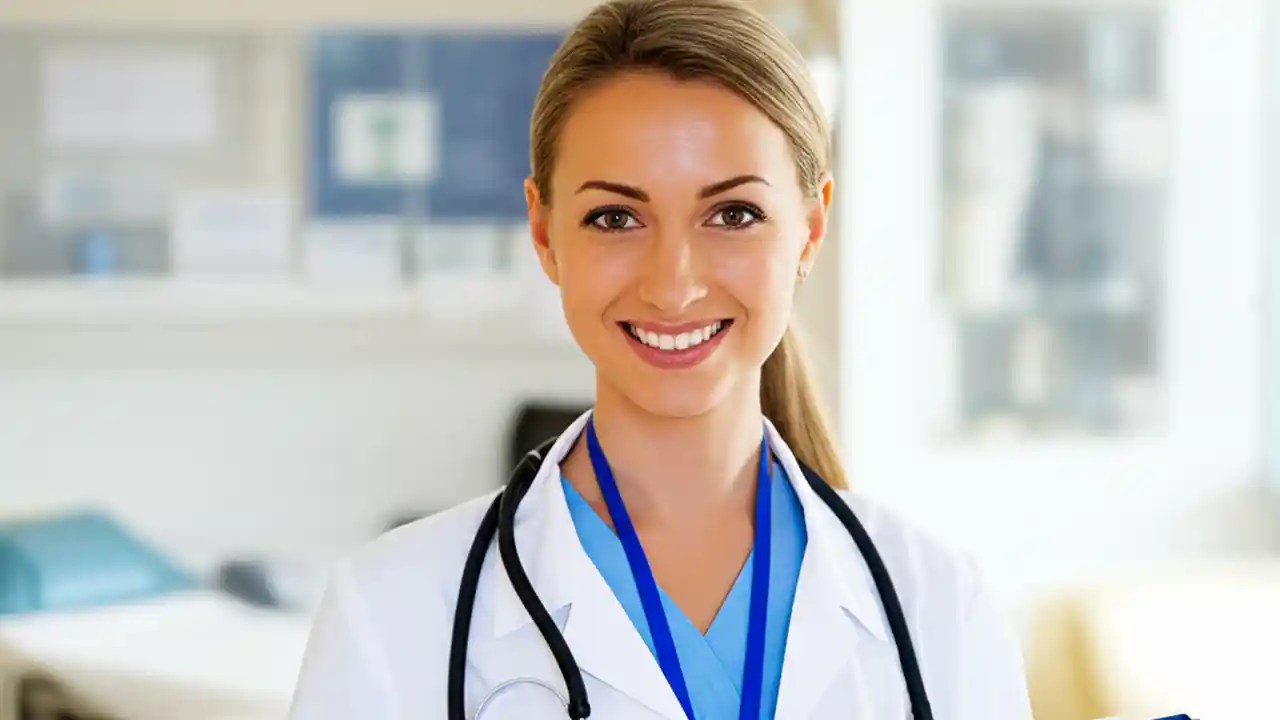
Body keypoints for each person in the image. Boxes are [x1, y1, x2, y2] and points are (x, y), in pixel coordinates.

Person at [289, 0, 1034, 718]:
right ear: (545, 235)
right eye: (615, 218)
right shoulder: (395, 613)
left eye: (733, 215)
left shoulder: (937, 606)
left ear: (809, 230)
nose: (673, 284)